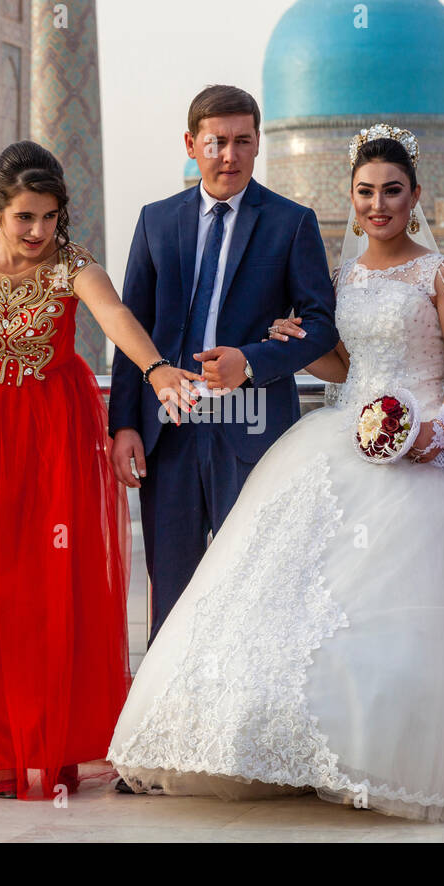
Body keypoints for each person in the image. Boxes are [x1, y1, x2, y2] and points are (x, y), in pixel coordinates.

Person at [106, 125, 444, 821]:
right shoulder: (344, 276)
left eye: (392, 191)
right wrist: (294, 345)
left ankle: (381, 753)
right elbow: (344, 365)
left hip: (420, 444)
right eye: (366, 192)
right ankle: (281, 743)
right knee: (290, 590)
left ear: (415, 196)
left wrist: (436, 428)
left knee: (389, 603)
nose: (379, 204)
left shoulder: (441, 274)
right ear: (352, 199)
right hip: (345, 430)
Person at [0, 141, 198, 800]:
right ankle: (1, 748)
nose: (38, 232)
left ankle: (56, 744)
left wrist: (154, 368)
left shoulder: (72, 263)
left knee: (52, 585)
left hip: (53, 433)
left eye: (50, 217)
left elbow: (114, 315)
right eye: (25, 217)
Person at [107, 84, 339, 647]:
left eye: (241, 141)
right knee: (174, 590)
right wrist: (124, 425)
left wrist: (252, 362)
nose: (228, 155)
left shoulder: (291, 223)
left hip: (255, 432)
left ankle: (243, 720)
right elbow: (129, 328)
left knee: (254, 584)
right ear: (192, 144)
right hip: (171, 431)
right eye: (215, 142)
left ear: (259, 144)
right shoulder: (156, 221)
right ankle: (170, 721)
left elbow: (321, 323)